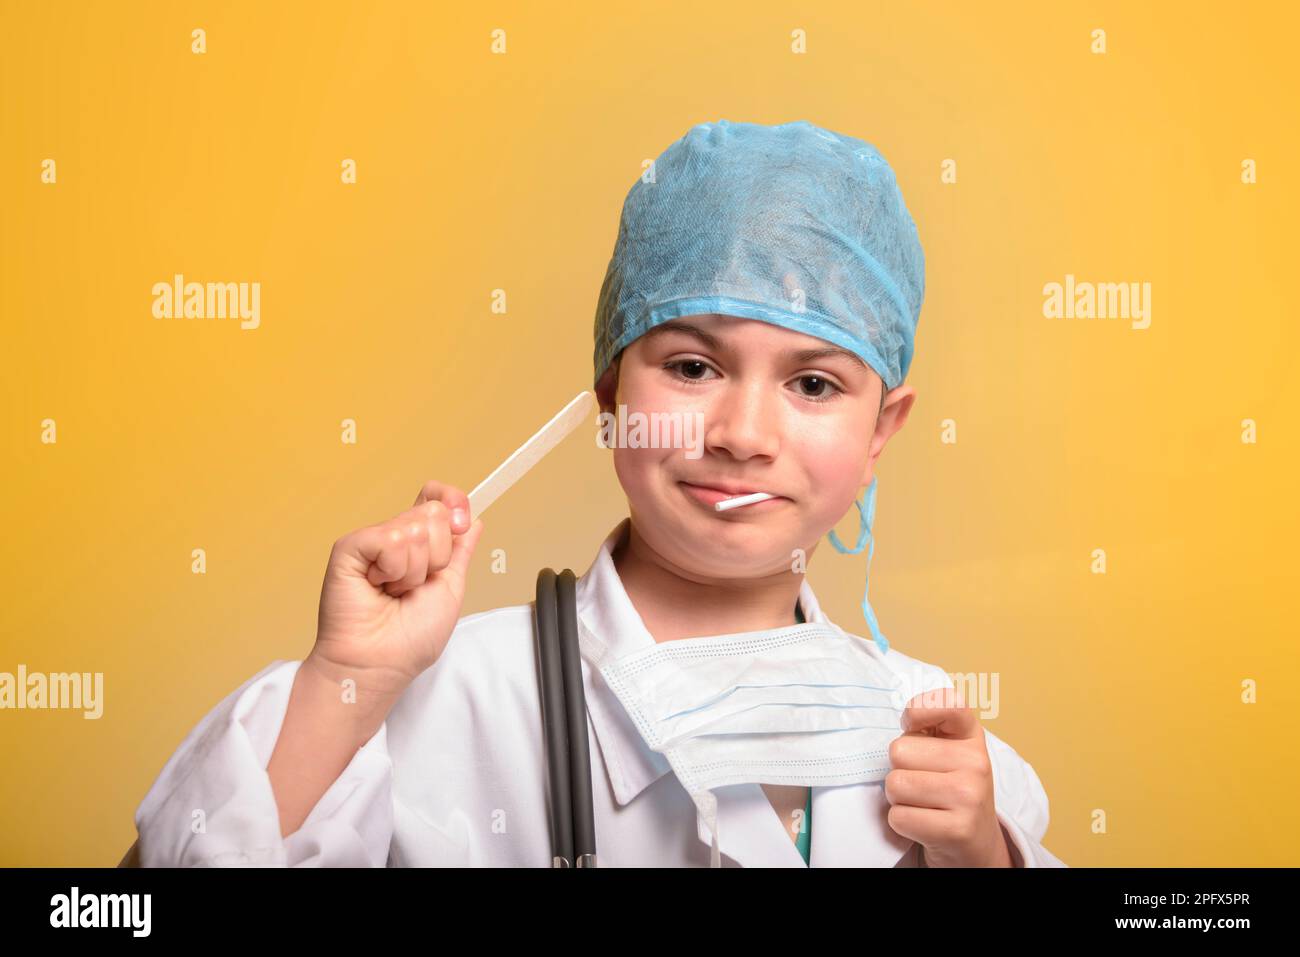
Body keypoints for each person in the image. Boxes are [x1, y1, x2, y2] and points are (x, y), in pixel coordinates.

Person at [127, 119, 1064, 868]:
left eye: (813, 384)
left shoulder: (941, 749)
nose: (741, 433)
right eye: (693, 365)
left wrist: (981, 858)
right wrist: (349, 683)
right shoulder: (428, 706)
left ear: (881, 433)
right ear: (612, 399)